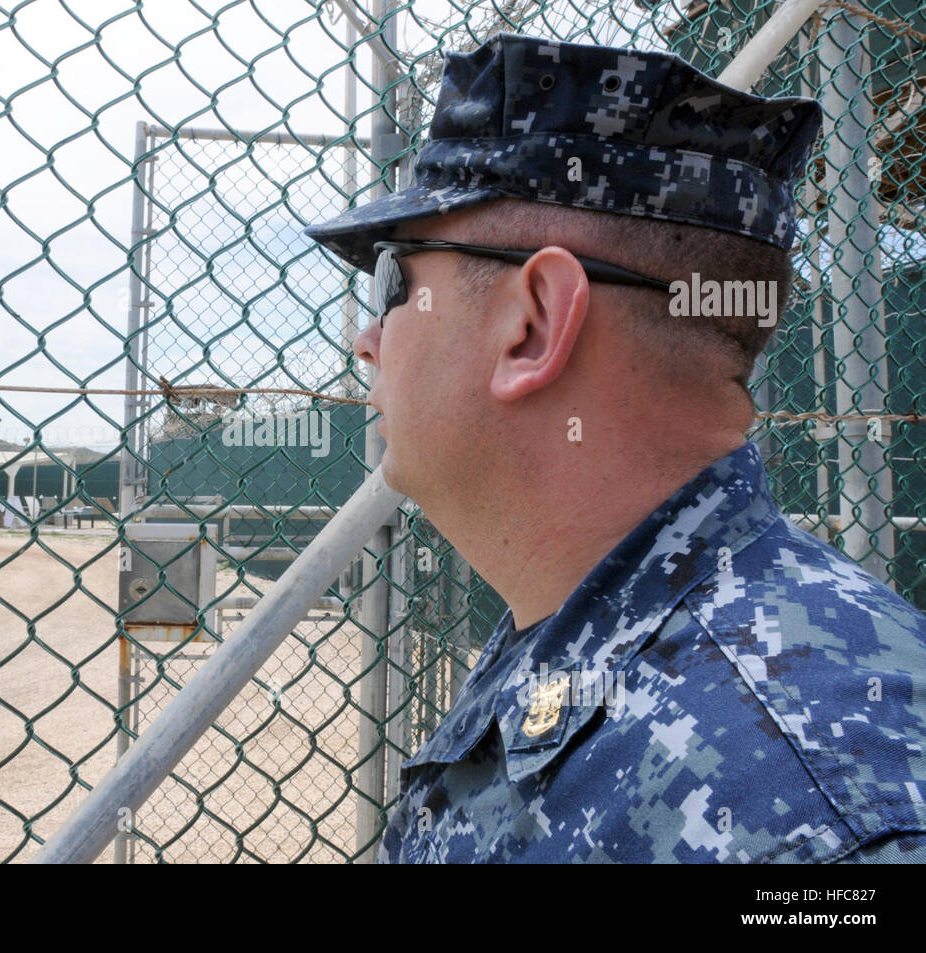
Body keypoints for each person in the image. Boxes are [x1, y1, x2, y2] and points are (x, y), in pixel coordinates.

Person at [304, 33, 926, 863]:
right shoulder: (592, 629)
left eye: (394, 281)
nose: (367, 338)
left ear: (532, 325)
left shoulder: (818, 826)